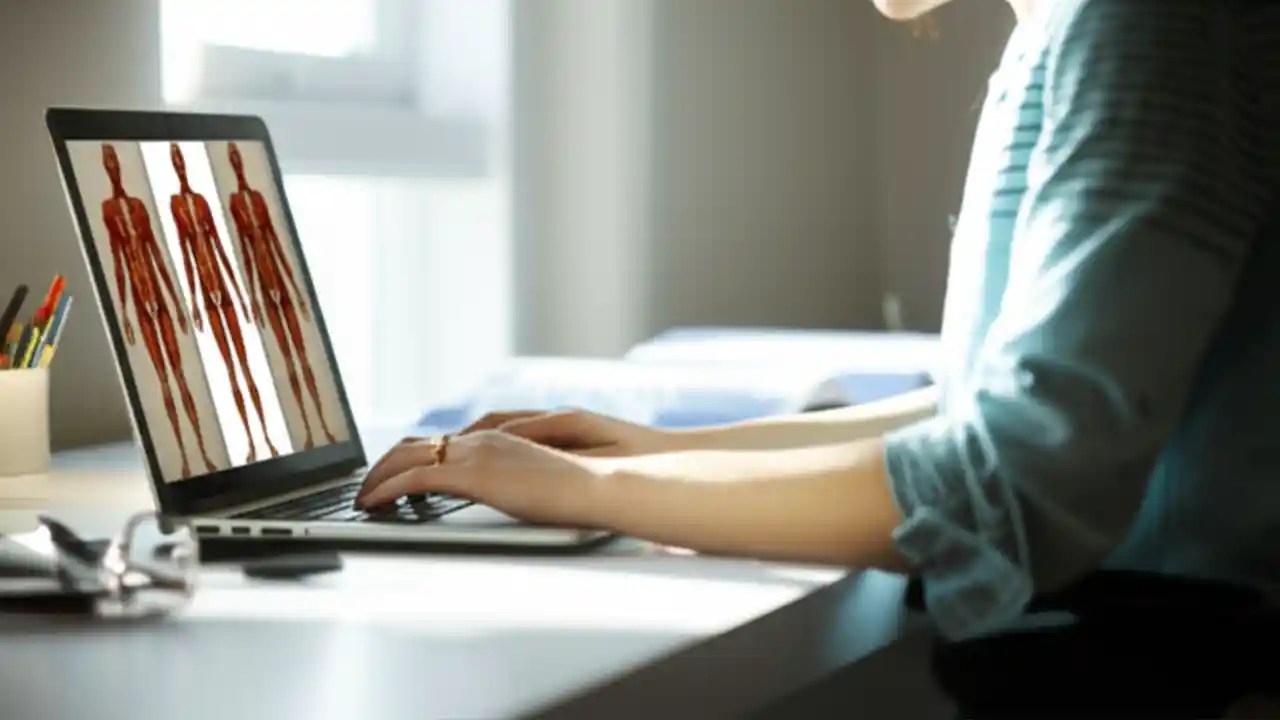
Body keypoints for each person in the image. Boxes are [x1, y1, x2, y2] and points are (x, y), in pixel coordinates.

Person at [360, 0, 1279, 653]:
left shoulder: (1149, 25)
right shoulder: (1059, 34)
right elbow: (977, 409)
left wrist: (591, 496)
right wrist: (638, 455)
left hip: (1174, 660)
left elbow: (1019, 484)